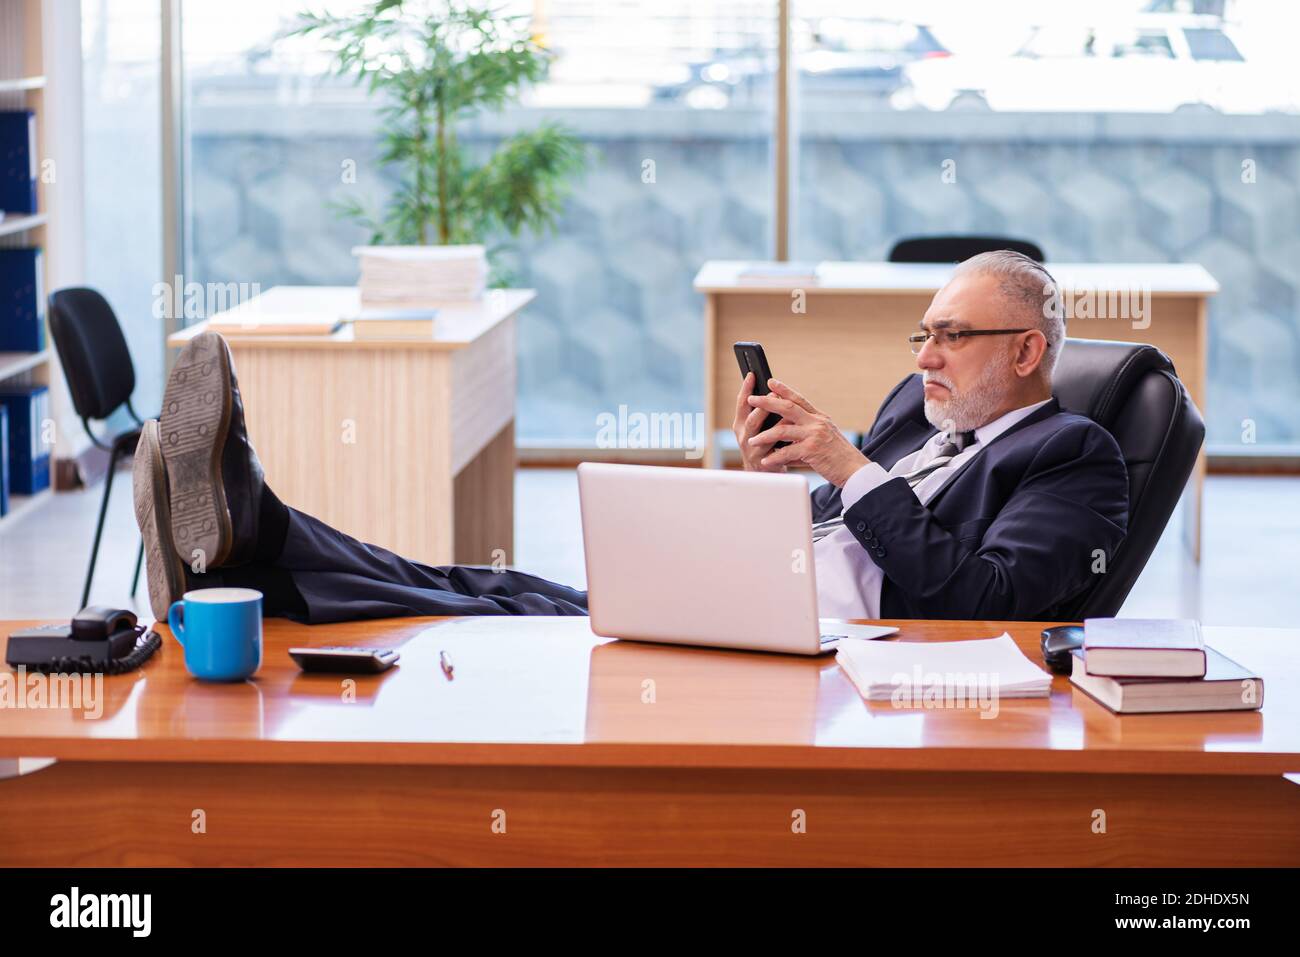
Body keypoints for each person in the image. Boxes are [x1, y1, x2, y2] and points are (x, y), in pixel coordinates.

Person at [134, 250, 1127, 624]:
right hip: (760, 580)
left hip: (816, 639)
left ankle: (243, 549)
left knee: (491, 620)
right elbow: (848, 516)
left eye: (953, 336)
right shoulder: (917, 412)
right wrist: (783, 475)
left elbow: (981, 601)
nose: (926, 356)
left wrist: (843, 462)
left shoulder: (1073, 457)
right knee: (486, 583)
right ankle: (245, 536)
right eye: (926, 333)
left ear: (1029, 351)